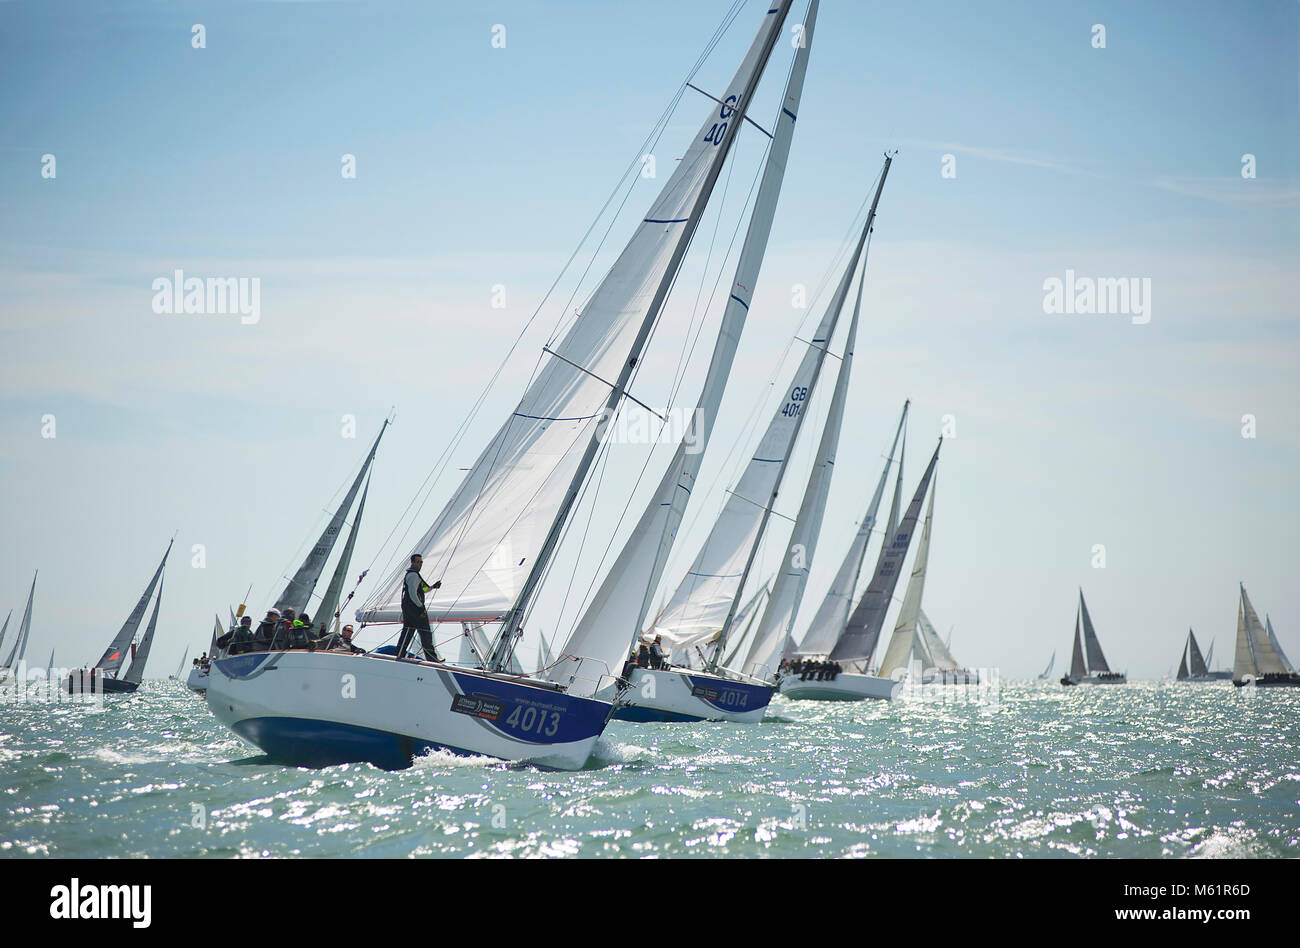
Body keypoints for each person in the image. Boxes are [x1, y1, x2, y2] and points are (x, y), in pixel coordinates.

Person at [396, 553, 443, 662]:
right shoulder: (413, 575)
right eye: (417, 562)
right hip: (415, 609)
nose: (420, 564)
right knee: (425, 631)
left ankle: (399, 653)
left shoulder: (414, 575)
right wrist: (420, 607)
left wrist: (433, 587)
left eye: (421, 562)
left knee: (408, 630)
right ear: (412, 562)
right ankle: (432, 659)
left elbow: (423, 589)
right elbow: (413, 593)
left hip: (408, 609)